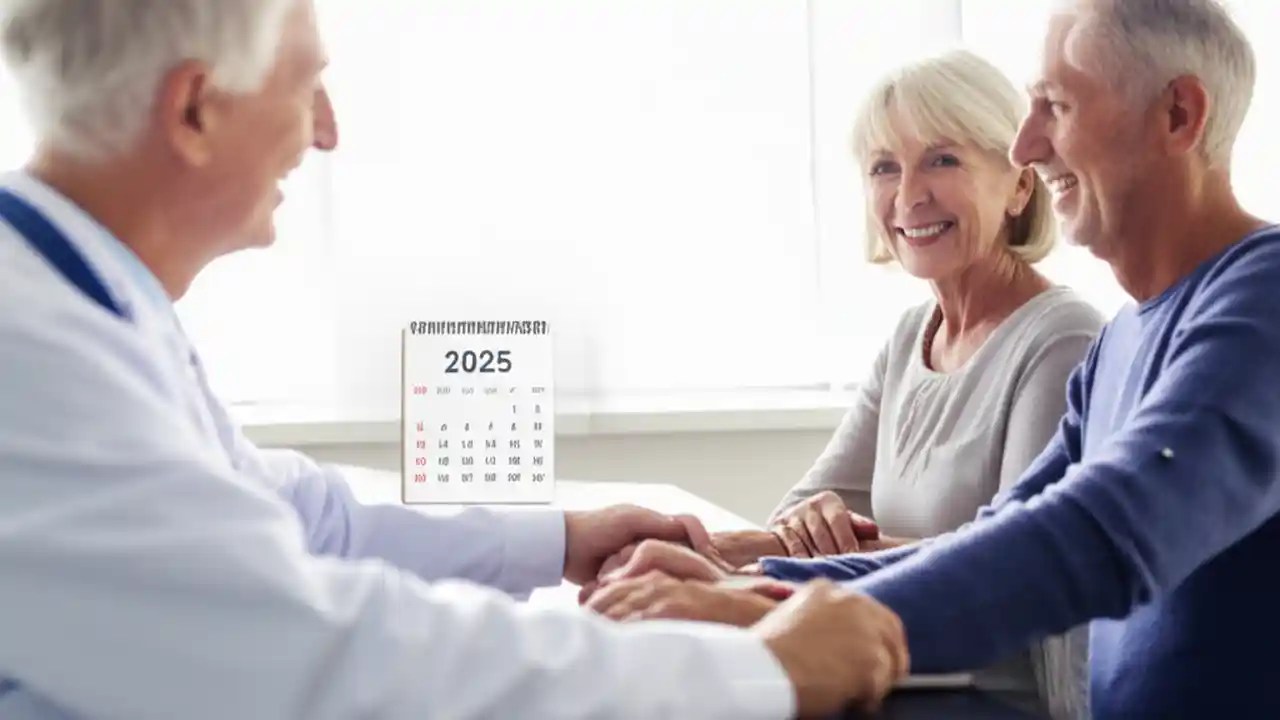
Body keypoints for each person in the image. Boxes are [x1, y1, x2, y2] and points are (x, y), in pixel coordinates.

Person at [0, 1, 911, 717]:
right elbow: (313, 658)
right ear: (195, 108)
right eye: (306, 84)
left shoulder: (79, 301)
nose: (326, 131)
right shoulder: (31, 351)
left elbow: (303, 518)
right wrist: (755, 671)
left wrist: (557, 539)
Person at [587, 0, 1280, 717]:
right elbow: (995, 538)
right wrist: (757, 587)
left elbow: (1096, 533)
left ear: (1178, 115)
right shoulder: (1120, 341)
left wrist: (752, 614)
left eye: (1056, 106)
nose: (1025, 146)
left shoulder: (1265, 299)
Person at [686, 49, 1103, 717]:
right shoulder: (913, 337)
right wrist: (731, 547)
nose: (909, 195)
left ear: (1020, 186)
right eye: (885, 167)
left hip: (984, 697)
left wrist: (758, 557)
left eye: (943, 159)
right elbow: (798, 510)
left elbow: (1016, 564)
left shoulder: (1062, 340)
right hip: (887, 678)